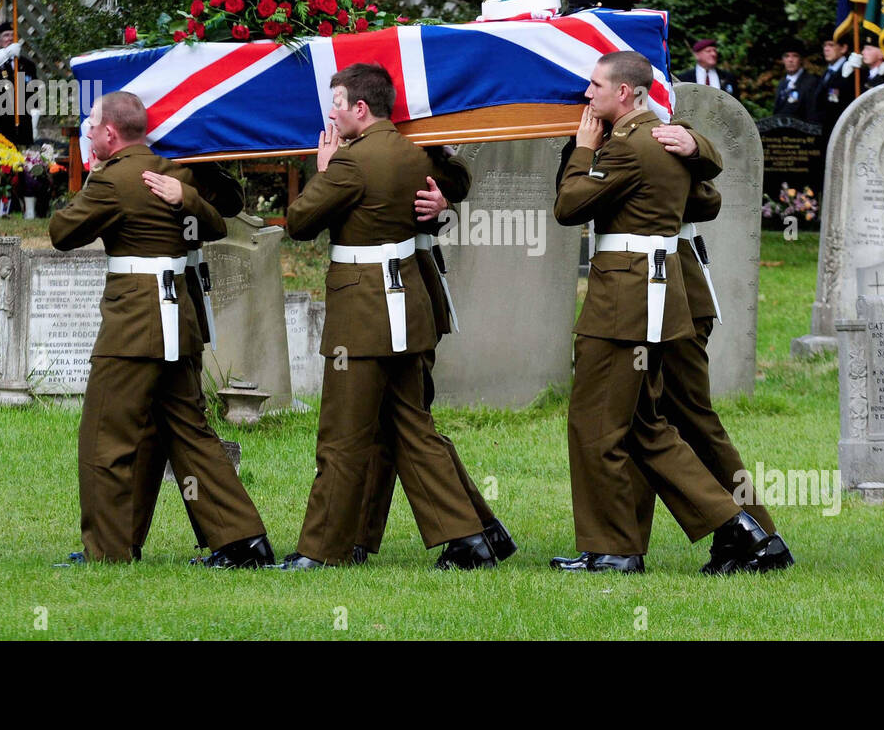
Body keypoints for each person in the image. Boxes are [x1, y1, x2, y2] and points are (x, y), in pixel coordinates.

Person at [551, 50, 772, 574]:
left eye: (595, 87)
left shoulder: (631, 148)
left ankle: (628, 547)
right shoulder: (664, 141)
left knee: (596, 426)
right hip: (652, 296)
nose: (587, 96)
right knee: (644, 424)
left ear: (624, 93)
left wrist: (583, 151)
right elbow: (704, 197)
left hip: (622, 302)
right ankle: (733, 528)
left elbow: (568, 208)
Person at [279, 63, 504, 571]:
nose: (329, 114)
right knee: (412, 427)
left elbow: (298, 222)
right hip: (409, 307)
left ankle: (322, 550)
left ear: (361, 109)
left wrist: (325, 167)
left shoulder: (351, 163)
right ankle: (470, 537)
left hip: (363, 315)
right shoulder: (413, 152)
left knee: (342, 434)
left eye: (335, 104)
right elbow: (454, 182)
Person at [49, 91, 274, 567]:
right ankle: (242, 540)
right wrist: (188, 195)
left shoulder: (112, 181)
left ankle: (108, 551)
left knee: (105, 436)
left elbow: (62, 233)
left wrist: (89, 182)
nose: (87, 131)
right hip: (181, 318)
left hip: (134, 324)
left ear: (111, 133)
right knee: (188, 430)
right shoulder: (177, 173)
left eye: (92, 125)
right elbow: (218, 220)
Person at [352, 148, 517, 564]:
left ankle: (470, 536)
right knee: (392, 421)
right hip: (388, 293)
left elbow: (455, 181)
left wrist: (443, 199)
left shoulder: (409, 150)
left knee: (406, 419)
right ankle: (480, 530)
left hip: (405, 291)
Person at [818, 32, 855, 140]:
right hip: (825, 131)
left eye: (831, 45)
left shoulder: (852, 72)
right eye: (825, 45)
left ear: (843, 48)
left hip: (840, 132)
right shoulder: (827, 72)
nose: (826, 49)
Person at [772, 42, 821, 123]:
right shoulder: (782, 83)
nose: (790, 60)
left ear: (801, 59)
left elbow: (812, 114)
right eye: (787, 56)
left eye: (795, 56)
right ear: (783, 60)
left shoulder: (811, 82)